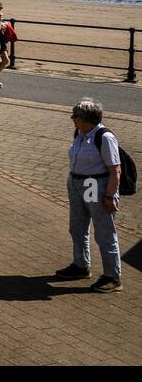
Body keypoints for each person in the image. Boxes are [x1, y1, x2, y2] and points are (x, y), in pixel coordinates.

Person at [57, 98, 123, 292]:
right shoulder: (80, 132)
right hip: (77, 183)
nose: (72, 119)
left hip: (94, 184)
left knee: (103, 231)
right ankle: (81, 265)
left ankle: (112, 276)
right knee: (77, 227)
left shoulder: (104, 137)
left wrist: (110, 197)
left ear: (86, 118)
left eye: (75, 116)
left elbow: (115, 169)